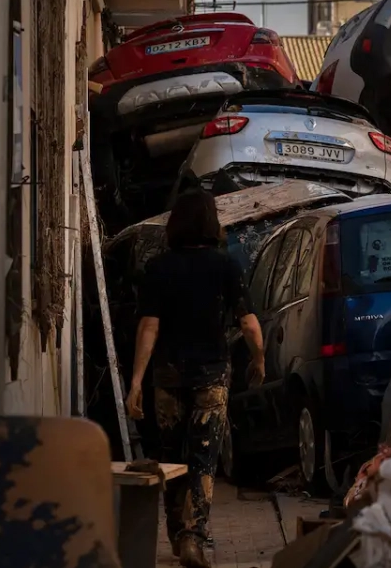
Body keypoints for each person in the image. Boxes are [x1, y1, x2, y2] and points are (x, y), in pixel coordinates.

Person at [125, 189, 266, 568]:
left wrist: (137, 381)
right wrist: (260, 358)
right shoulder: (225, 266)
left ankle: (175, 532)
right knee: (204, 459)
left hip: (168, 378)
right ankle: (194, 536)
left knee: (171, 456)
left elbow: (149, 328)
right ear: (211, 222)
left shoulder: (159, 268)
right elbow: (249, 323)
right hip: (211, 377)